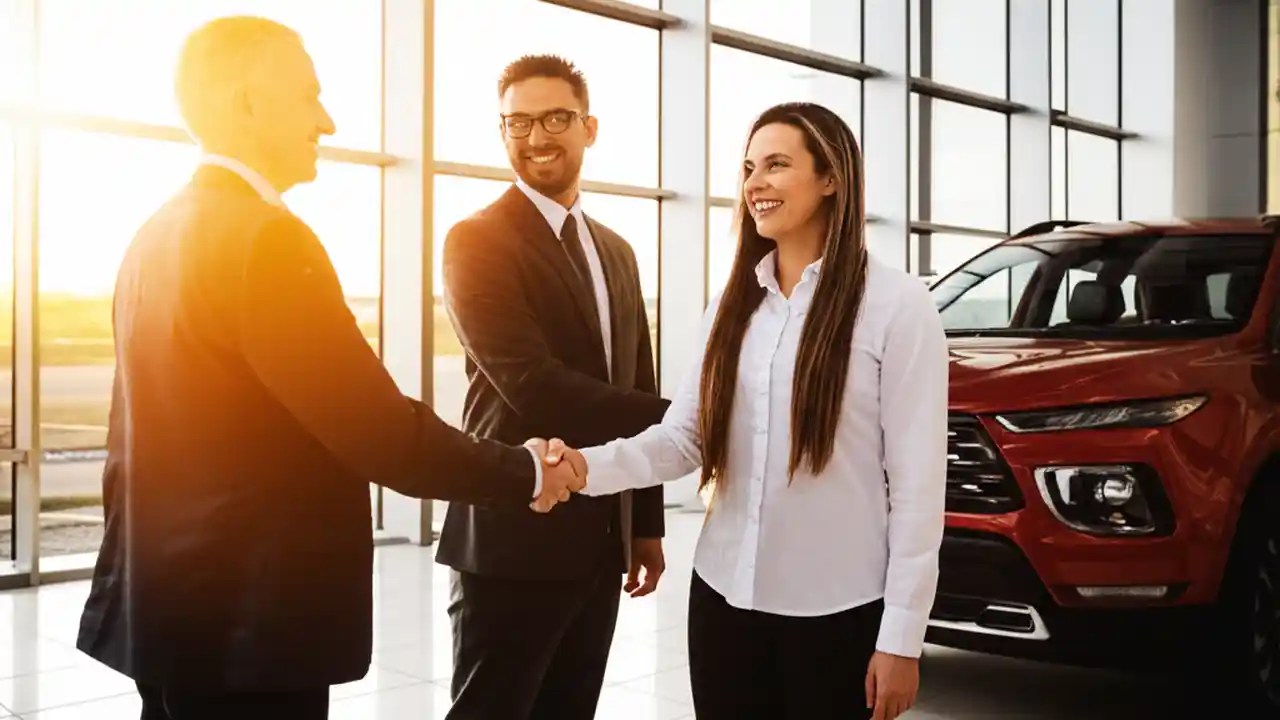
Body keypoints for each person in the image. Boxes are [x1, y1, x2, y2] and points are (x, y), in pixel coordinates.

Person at [74, 17, 584, 720]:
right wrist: (525, 471)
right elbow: (377, 430)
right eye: (308, 95)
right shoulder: (268, 239)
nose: (327, 118)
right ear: (249, 101)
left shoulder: (156, 232)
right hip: (246, 635)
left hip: (165, 616)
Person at [549, 102, 948, 720]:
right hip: (723, 601)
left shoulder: (898, 306)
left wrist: (901, 640)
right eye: (748, 168)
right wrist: (583, 468)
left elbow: (920, 493)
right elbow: (683, 439)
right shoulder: (731, 308)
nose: (754, 183)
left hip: (838, 613)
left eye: (777, 165)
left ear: (831, 177)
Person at [435, 54, 670, 720]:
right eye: (519, 122)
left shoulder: (616, 250)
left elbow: (635, 379)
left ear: (589, 128)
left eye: (556, 118)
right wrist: (694, 418)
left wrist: (644, 524)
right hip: (512, 537)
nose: (536, 137)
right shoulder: (476, 240)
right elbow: (532, 386)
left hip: (598, 540)